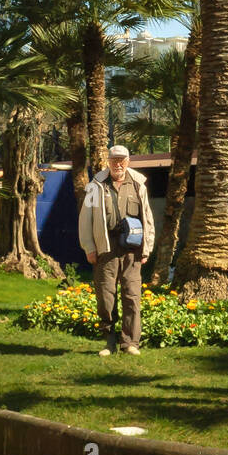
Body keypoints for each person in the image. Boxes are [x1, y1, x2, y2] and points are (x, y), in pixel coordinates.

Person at [78, 144, 155, 355]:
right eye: (114, 160)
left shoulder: (139, 185)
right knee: (106, 295)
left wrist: (146, 247)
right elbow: (85, 220)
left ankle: (130, 343)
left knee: (132, 295)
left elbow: (147, 217)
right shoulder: (96, 186)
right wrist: (89, 247)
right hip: (106, 247)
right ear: (108, 162)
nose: (118, 164)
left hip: (132, 247)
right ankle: (109, 342)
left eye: (122, 160)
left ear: (128, 162)